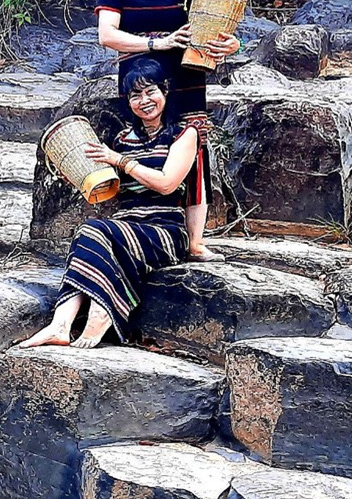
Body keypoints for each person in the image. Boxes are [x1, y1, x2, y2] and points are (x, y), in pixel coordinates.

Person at [21, 57, 214, 349]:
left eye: (150, 92)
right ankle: (60, 325)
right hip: (126, 226)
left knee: (94, 231)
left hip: (165, 230)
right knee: (90, 232)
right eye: (136, 95)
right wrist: (79, 174)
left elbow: (166, 183)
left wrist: (120, 160)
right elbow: (110, 190)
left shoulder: (183, 135)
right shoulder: (123, 139)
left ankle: (101, 314)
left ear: (165, 92)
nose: (144, 100)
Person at [96, 0, 237, 207]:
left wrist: (230, 45)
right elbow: (107, 35)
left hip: (186, 78)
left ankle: (195, 241)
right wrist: (156, 44)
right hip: (139, 81)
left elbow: (217, 30)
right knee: (139, 143)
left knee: (193, 149)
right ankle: (137, 216)